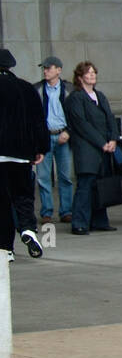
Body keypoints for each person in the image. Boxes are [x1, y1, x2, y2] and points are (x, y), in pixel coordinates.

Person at [0, 49, 48, 261]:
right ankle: (28, 230)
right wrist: (41, 148)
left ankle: (5, 249)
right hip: (22, 154)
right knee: (23, 196)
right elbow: (39, 122)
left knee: (2, 202)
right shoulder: (27, 89)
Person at [64, 60, 120, 235]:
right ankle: (79, 222)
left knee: (100, 184)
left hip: (104, 146)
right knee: (85, 184)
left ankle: (99, 220)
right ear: (80, 77)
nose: (91, 75)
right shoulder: (76, 97)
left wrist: (113, 139)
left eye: (94, 72)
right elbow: (81, 124)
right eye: (88, 73)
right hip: (86, 147)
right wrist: (101, 142)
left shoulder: (100, 95)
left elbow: (110, 118)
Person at [33, 56, 73, 225]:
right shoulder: (38, 89)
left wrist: (68, 131)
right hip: (45, 136)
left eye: (49, 68)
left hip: (63, 134)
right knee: (43, 176)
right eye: (44, 68)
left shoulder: (69, 89)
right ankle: (47, 211)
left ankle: (66, 211)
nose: (45, 71)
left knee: (65, 176)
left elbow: (75, 114)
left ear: (59, 70)